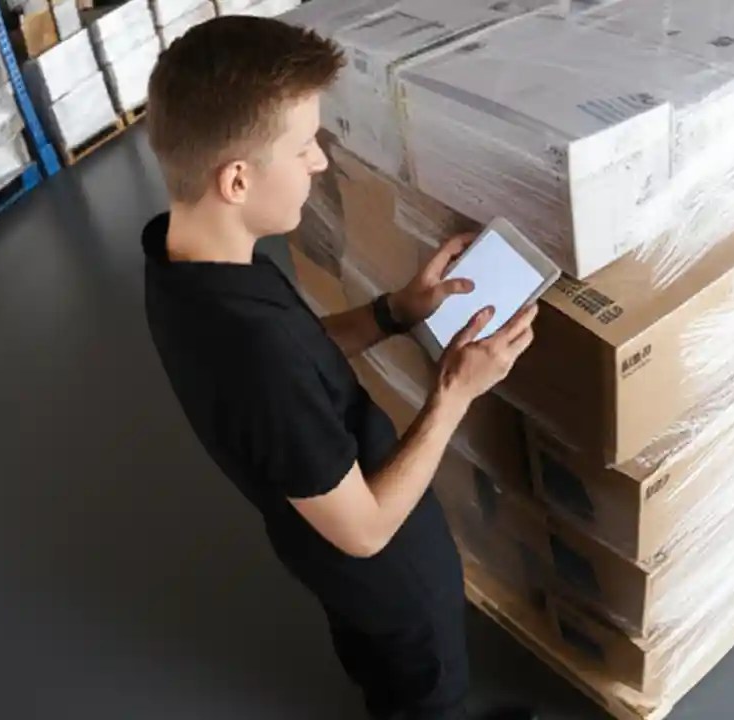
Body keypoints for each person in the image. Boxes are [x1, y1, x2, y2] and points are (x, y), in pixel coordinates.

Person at [141, 16, 537, 720]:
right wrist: (454, 392)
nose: (320, 162)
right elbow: (364, 530)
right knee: (426, 690)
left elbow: (299, 350)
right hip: (383, 573)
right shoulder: (247, 348)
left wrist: (396, 311)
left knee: (380, 672)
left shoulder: (185, 260)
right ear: (236, 179)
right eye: (302, 149)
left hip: (317, 543)